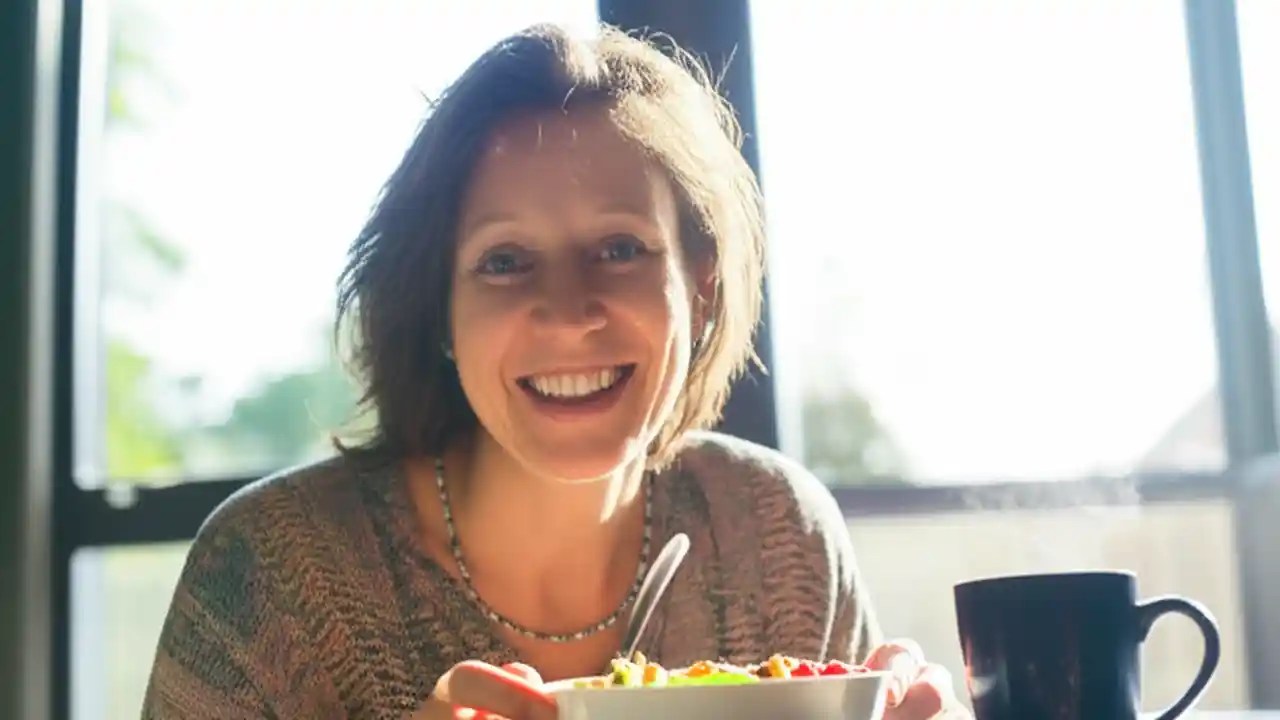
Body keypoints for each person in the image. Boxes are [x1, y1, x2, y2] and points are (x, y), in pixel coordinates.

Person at [141, 23, 967, 720]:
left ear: (700, 280)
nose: (569, 312)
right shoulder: (274, 572)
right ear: (438, 306)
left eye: (619, 249)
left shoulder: (779, 538)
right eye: (504, 261)